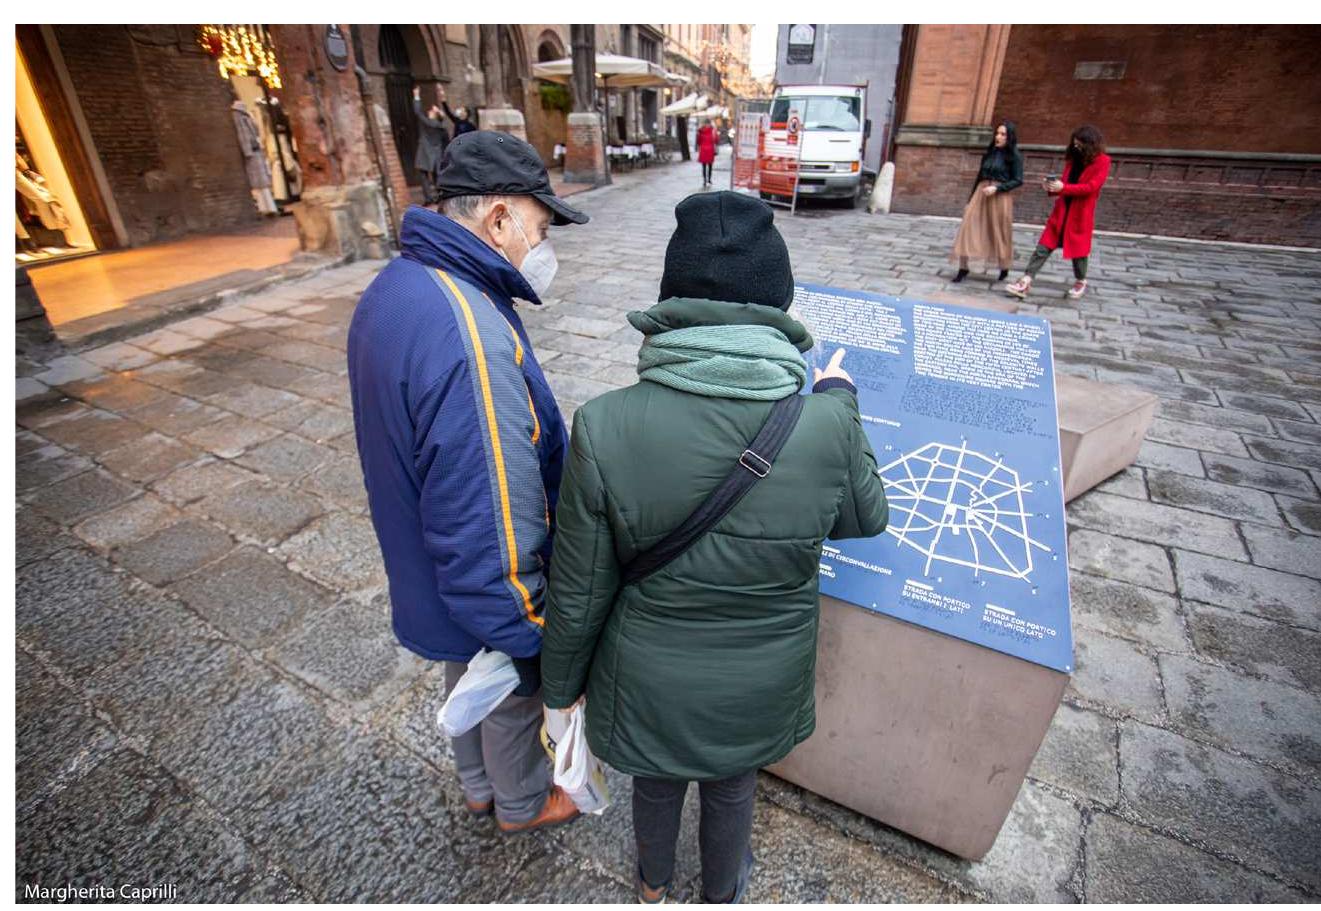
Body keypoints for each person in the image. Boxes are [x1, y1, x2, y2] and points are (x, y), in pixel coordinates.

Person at [539, 191, 889, 904]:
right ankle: (723, 890)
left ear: (672, 299)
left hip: (647, 672)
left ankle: (651, 883)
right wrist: (841, 397)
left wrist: (558, 691)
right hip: (761, 675)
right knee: (732, 787)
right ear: (777, 302)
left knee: (656, 781)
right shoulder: (824, 423)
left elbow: (577, 589)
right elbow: (864, 517)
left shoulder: (605, 425)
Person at [347, 131, 589, 834]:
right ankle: (520, 802)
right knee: (505, 674)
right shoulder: (470, 331)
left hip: (422, 552)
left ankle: (478, 785)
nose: (543, 249)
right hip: (474, 567)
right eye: (540, 229)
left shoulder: (398, 285)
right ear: (498, 220)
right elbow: (492, 518)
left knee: (462, 663)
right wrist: (532, 624)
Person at [1006, 125, 1111, 300]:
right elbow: (1065, 183)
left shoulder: (1102, 161)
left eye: (1080, 145)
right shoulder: (1073, 160)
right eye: (1075, 144)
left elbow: (1091, 187)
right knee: (1043, 247)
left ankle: (1081, 280)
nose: (1077, 148)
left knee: (1079, 252)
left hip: (1080, 214)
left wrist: (1063, 187)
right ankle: (1026, 280)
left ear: (1091, 144)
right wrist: (1052, 187)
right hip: (1062, 211)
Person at [950, 120, 1023, 283]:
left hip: (1000, 196)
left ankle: (1004, 267)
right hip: (981, 192)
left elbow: (1018, 180)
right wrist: (970, 200)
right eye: (997, 133)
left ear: (1009, 137)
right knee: (968, 227)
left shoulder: (1015, 156)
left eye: (1003, 134)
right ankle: (963, 268)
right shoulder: (989, 153)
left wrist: (998, 188)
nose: (998, 137)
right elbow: (978, 177)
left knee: (999, 232)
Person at [412, 86, 450, 204]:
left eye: (432, 111)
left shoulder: (428, 123)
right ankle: (439, 196)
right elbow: (444, 123)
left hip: (425, 152)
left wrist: (416, 96)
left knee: (424, 176)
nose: (429, 111)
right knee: (436, 176)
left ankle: (428, 198)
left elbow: (418, 112)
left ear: (434, 115)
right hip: (436, 153)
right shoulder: (441, 126)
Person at [696, 120, 716, 187]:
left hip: (703, 151)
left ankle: (704, 180)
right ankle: (709, 180)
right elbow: (716, 140)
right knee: (710, 166)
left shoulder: (700, 132)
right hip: (710, 150)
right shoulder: (712, 131)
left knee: (704, 166)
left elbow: (698, 142)